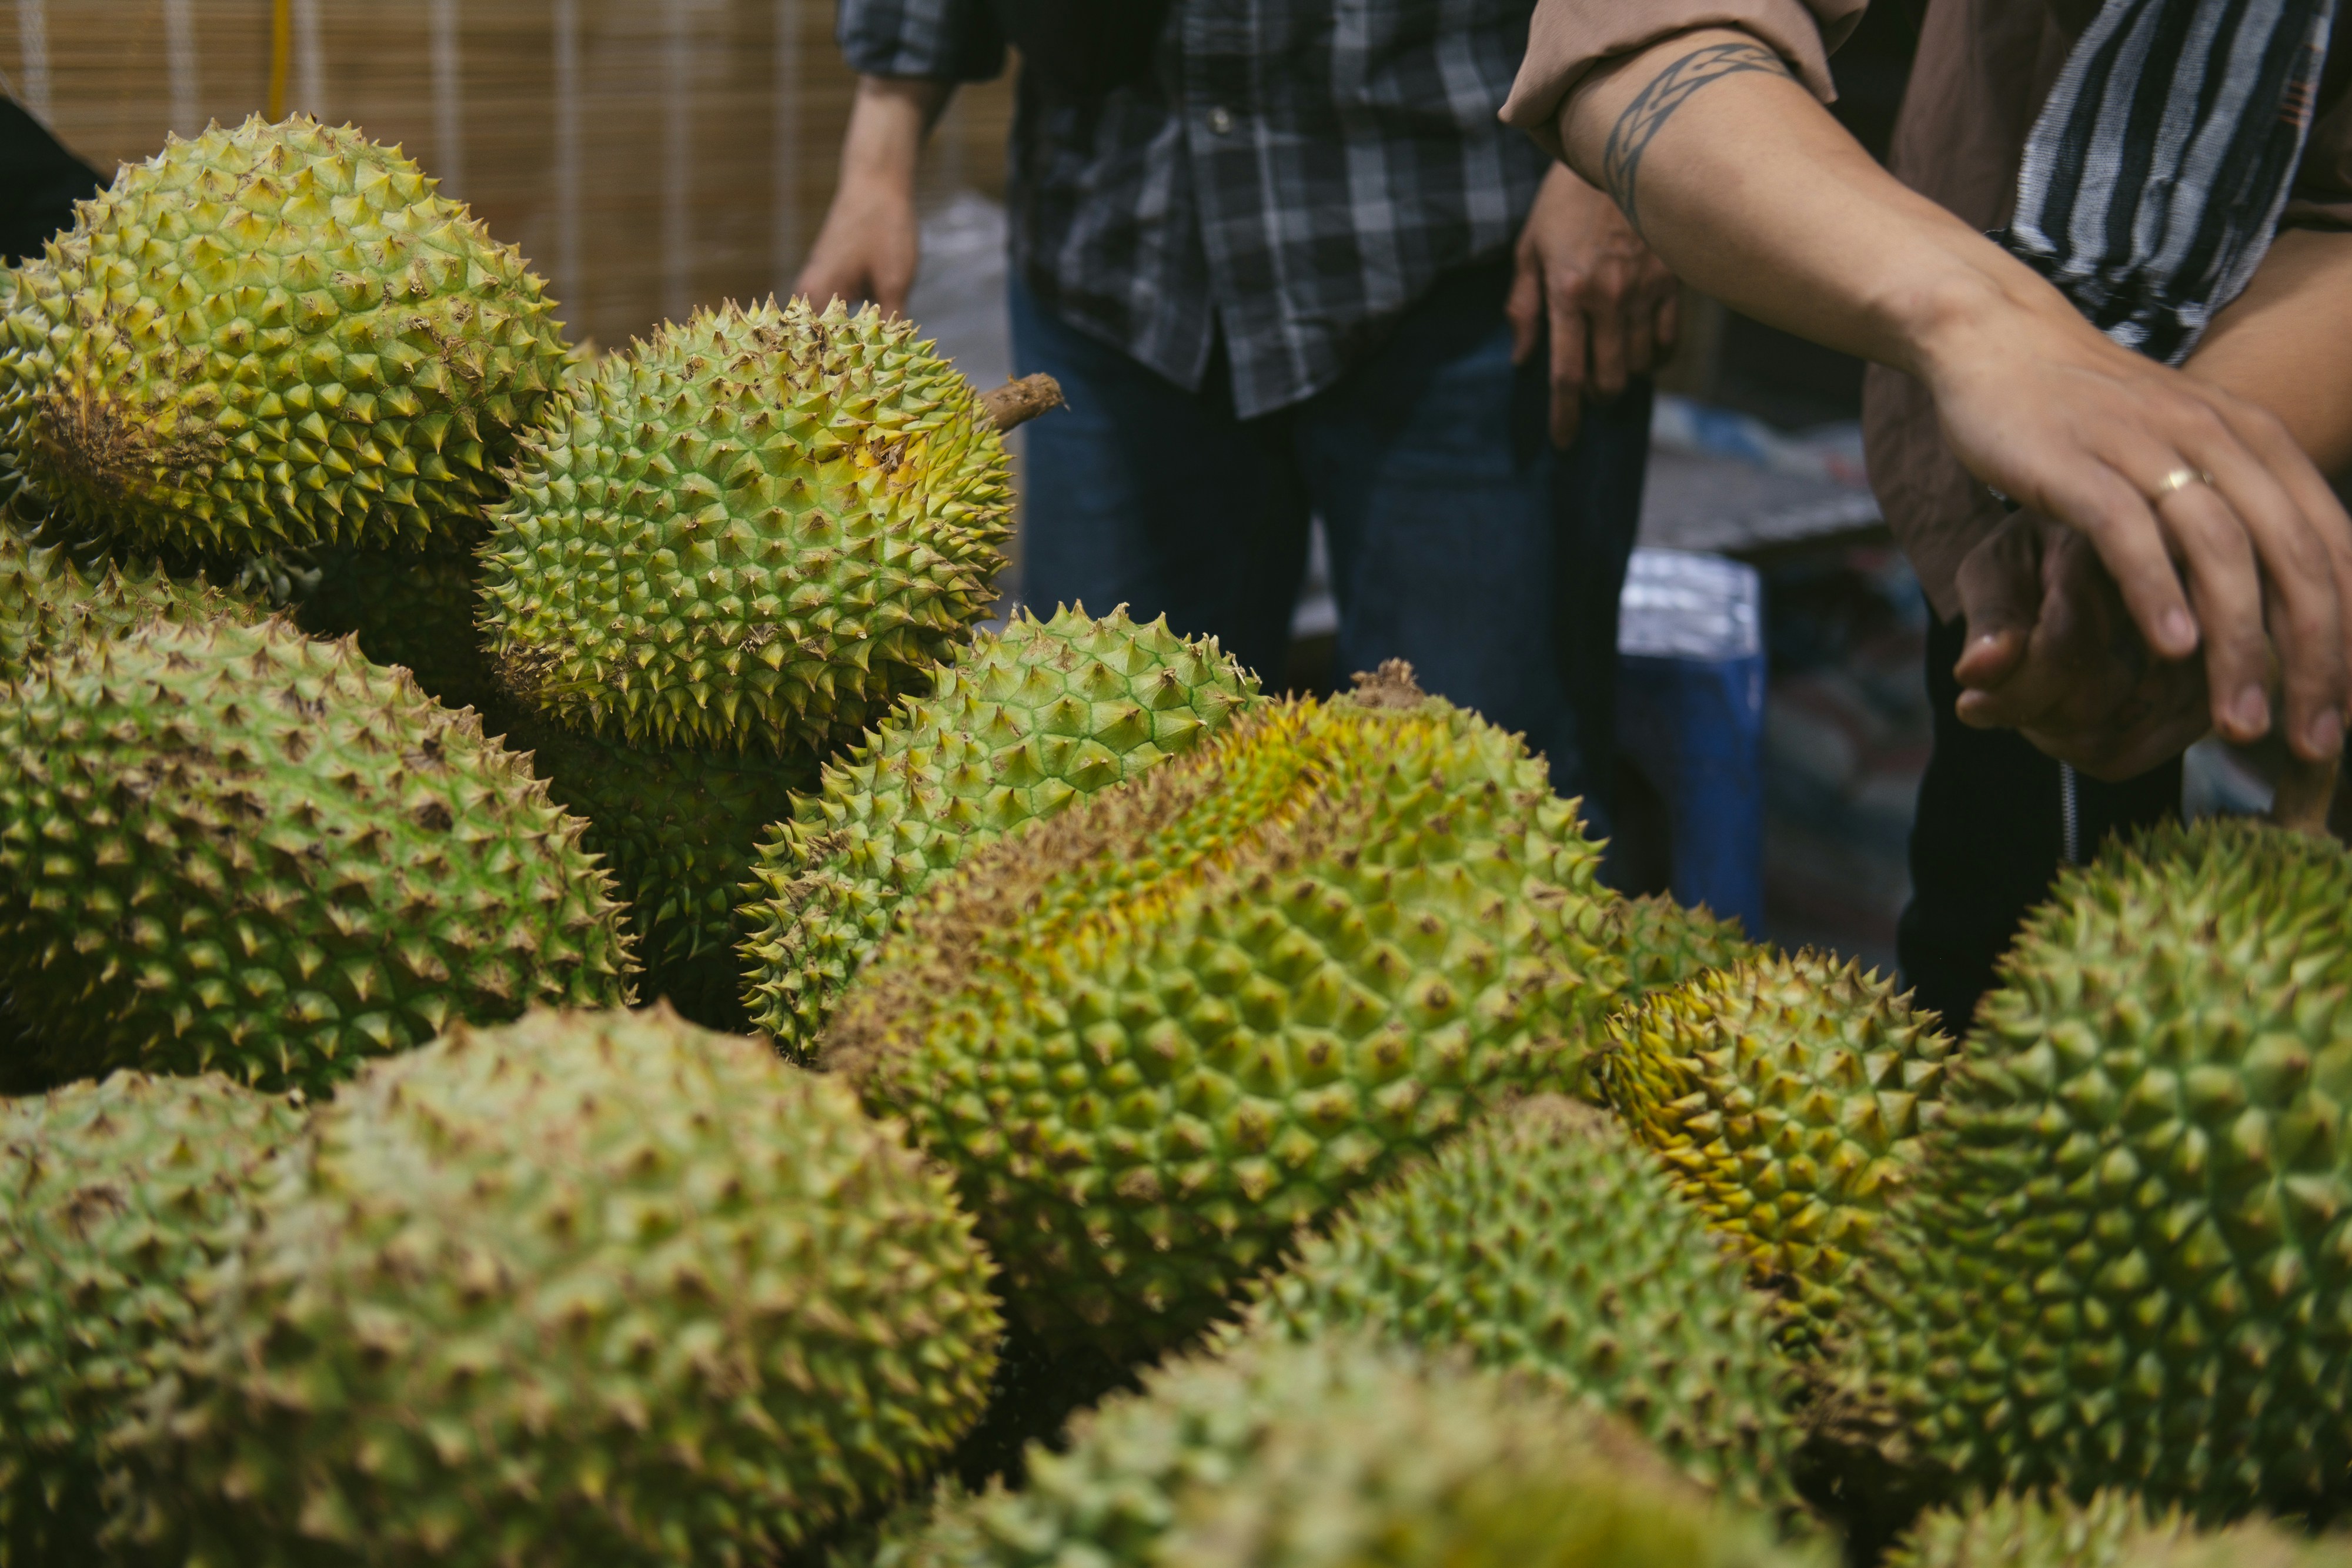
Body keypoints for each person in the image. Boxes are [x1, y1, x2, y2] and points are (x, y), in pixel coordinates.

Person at [1504, 0, 2352, 1028]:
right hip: (2018, 440)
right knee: (2001, 956)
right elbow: (1648, 28)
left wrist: (2182, 456)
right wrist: (1985, 326)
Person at [795, 2, 1683, 825]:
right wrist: (880, 148)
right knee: (1092, 807)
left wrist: (1621, 149)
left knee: (1476, 813)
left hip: (1471, 240)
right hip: (1121, 252)